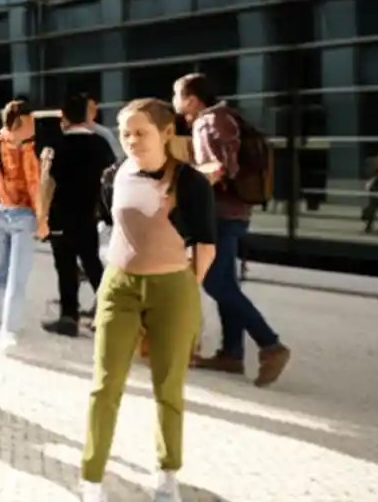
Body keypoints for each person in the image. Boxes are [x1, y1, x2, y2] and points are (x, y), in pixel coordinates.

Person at [80, 98, 216, 502]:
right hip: (118, 288)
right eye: (125, 133)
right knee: (105, 385)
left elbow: (205, 246)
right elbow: (112, 224)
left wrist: (186, 287)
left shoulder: (190, 182)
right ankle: (91, 477)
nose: (131, 140)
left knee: (168, 387)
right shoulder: (113, 175)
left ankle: (167, 473)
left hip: (172, 288)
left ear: (166, 133)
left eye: (141, 132)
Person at [173, 73, 290, 386]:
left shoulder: (207, 122)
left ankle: (270, 345)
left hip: (220, 214)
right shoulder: (227, 117)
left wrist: (187, 182)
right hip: (235, 212)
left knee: (213, 282)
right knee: (225, 283)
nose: (174, 101)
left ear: (191, 99)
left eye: (176, 94)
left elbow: (222, 168)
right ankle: (232, 353)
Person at [40, 93, 116, 337]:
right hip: (88, 214)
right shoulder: (100, 144)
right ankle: (112, 310)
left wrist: (41, 216)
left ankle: (69, 316)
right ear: (88, 115)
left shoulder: (56, 144)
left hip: (61, 215)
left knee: (65, 266)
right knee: (92, 263)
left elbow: (47, 183)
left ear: (63, 117)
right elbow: (109, 178)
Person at [0, 99, 44, 348]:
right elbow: (34, 186)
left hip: (0, 212)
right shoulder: (27, 150)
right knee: (17, 277)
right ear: (20, 122)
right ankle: (9, 329)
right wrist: (42, 219)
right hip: (23, 216)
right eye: (30, 122)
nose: (34, 127)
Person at [85, 92, 124, 160]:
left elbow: (117, 156)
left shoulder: (104, 133)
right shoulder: (66, 132)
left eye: (92, 108)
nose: (90, 111)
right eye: (85, 108)